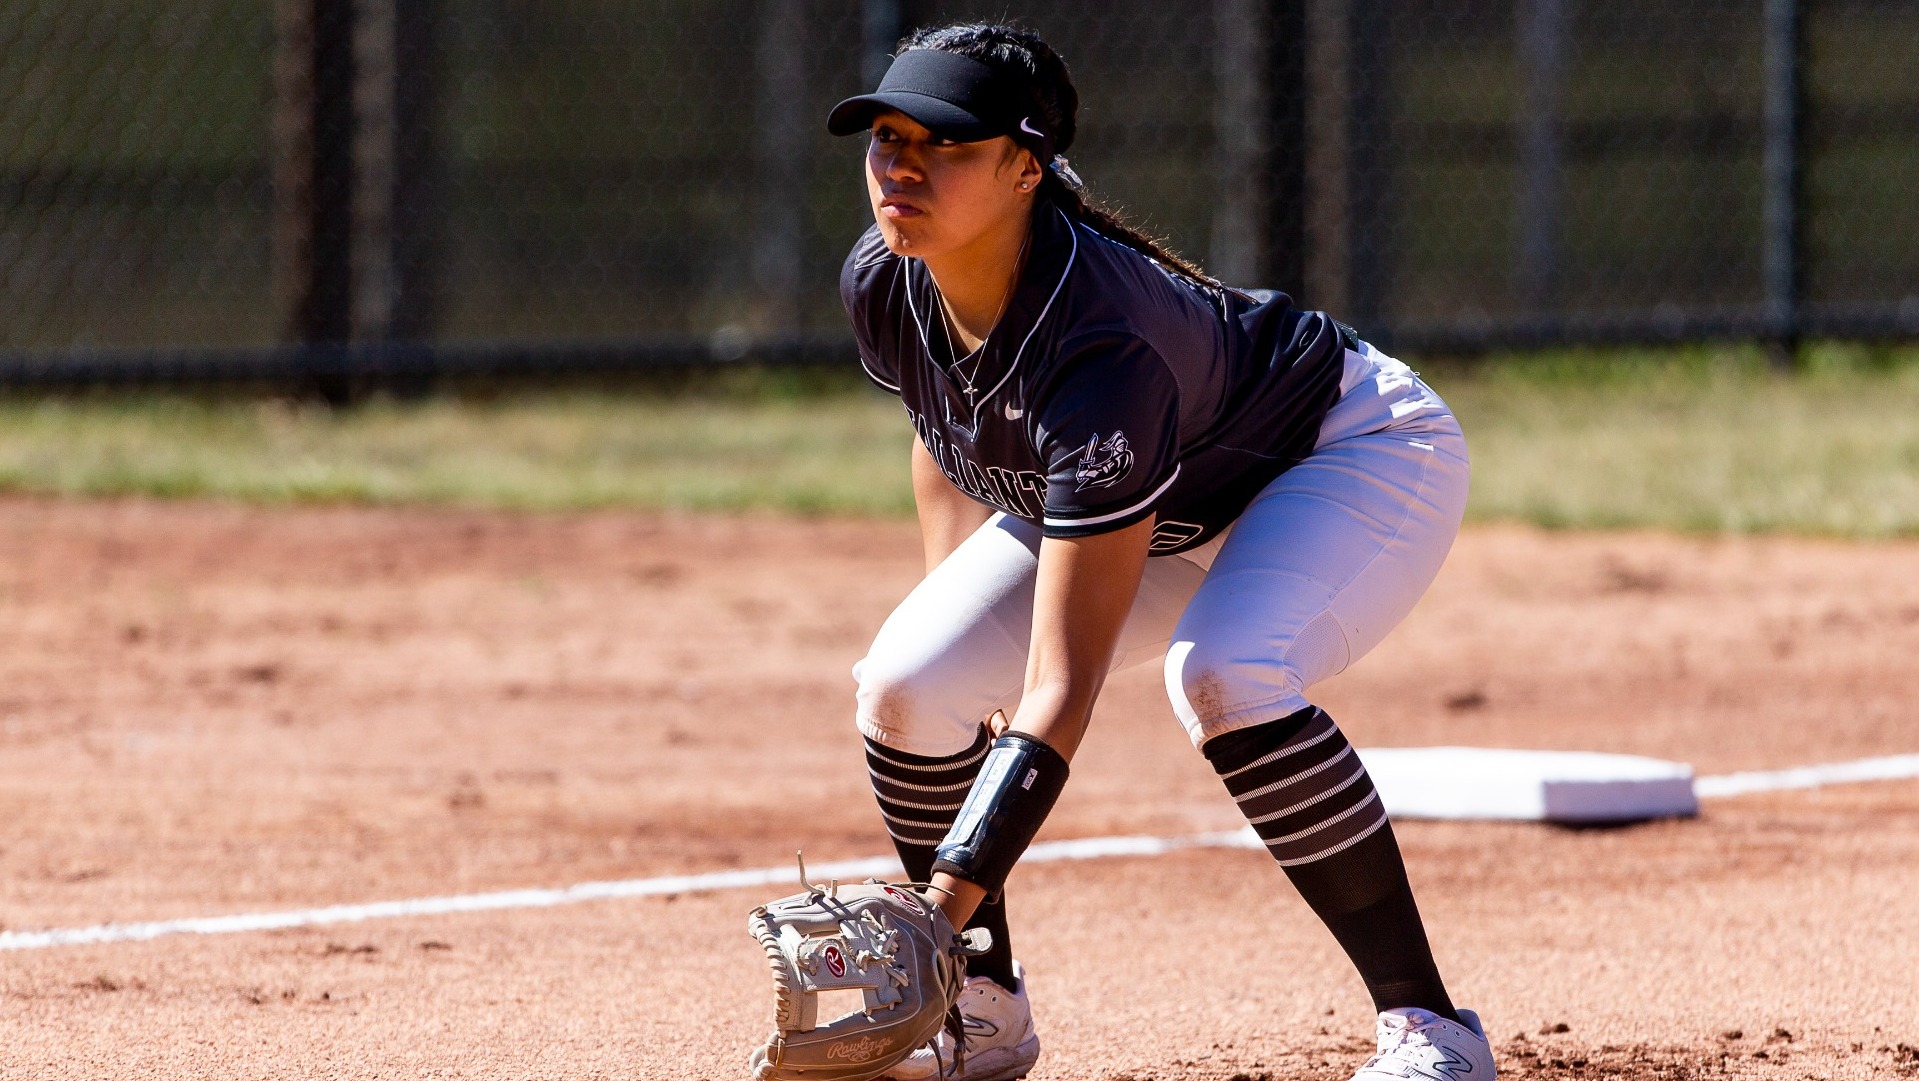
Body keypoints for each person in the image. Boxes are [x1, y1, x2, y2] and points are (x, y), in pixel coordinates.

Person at [827, 22, 1495, 1081]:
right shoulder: (886, 279)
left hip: (1339, 455)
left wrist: (933, 907)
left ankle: (1429, 1027)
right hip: (1156, 498)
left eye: (943, 145)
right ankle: (982, 1011)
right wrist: (953, 643)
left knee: (1224, 672)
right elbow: (941, 429)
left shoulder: (1102, 343)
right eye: (885, 138)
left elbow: (1064, 686)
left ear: (1024, 167)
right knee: (910, 680)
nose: (900, 166)